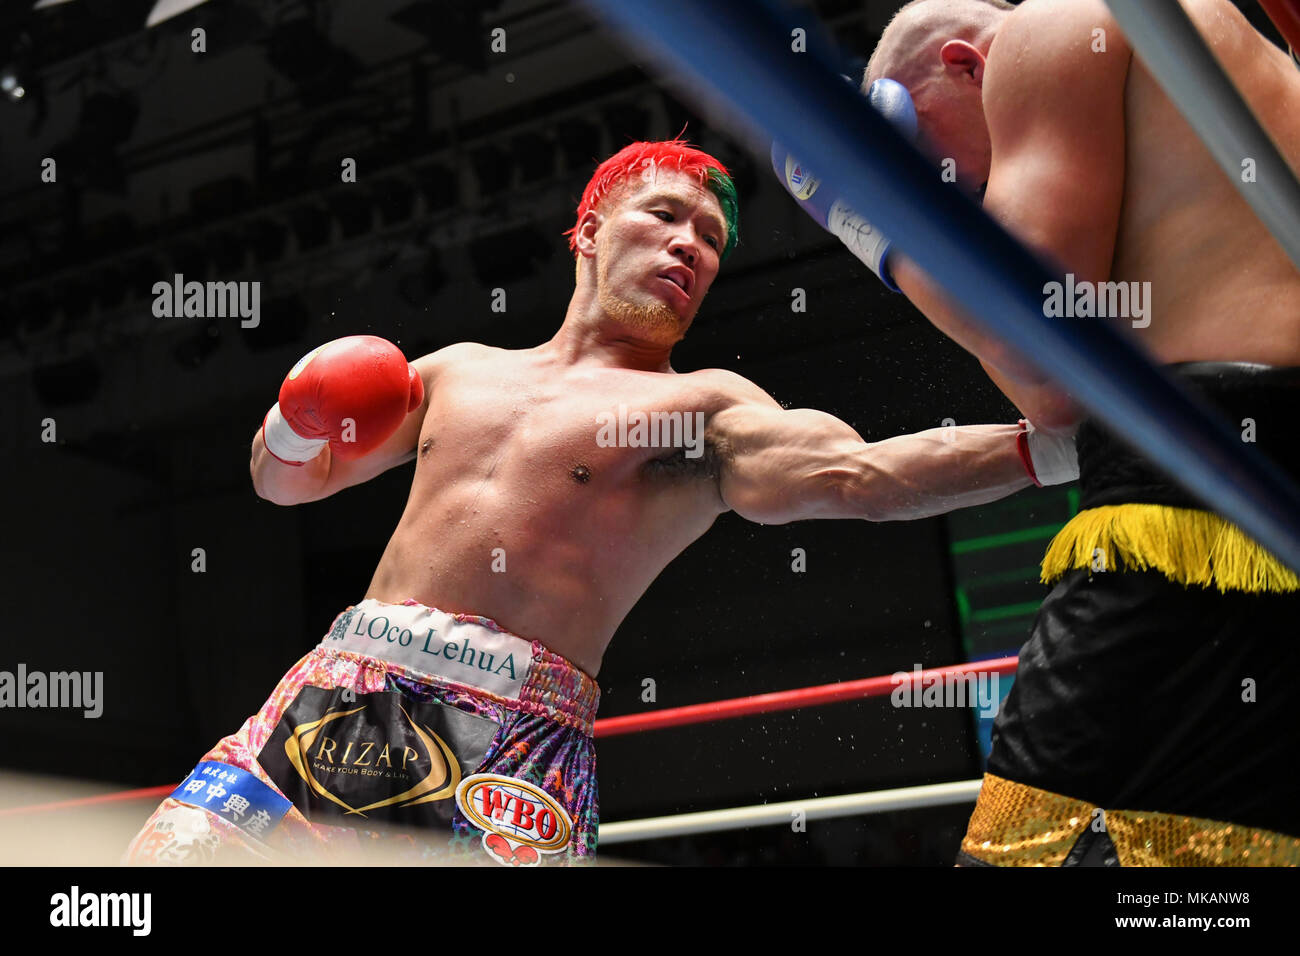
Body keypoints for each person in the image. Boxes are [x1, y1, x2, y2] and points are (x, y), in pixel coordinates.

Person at [124, 138, 1054, 866]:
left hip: (510, 743)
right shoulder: (459, 371)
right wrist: (298, 416)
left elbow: (866, 477)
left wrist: (1047, 448)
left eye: (712, 241)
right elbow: (281, 481)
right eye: (665, 216)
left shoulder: (700, 408)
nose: (691, 245)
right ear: (589, 230)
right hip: (342, 690)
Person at [837, 0, 1300, 864]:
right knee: (1213, 874)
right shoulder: (1253, 70)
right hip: (1268, 507)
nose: (970, 194)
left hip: (1193, 515)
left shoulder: (1053, 31)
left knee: (1029, 853)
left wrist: (878, 222)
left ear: (965, 64)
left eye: (933, 161)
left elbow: (1040, 362)